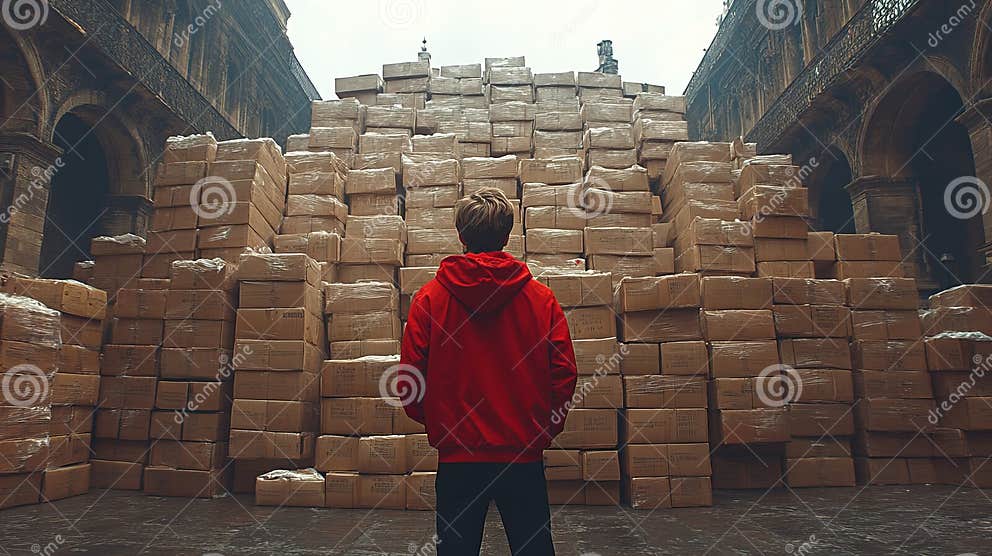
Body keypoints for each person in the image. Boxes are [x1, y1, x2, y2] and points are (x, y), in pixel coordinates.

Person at [399, 187, 578, 556]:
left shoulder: (430, 299)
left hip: (458, 457)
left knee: (456, 549)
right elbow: (563, 373)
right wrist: (543, 428)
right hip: (522, 453)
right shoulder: (541, 299)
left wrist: (438, 422)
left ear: (461, 236)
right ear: (507, 235)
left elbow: (410, 377)